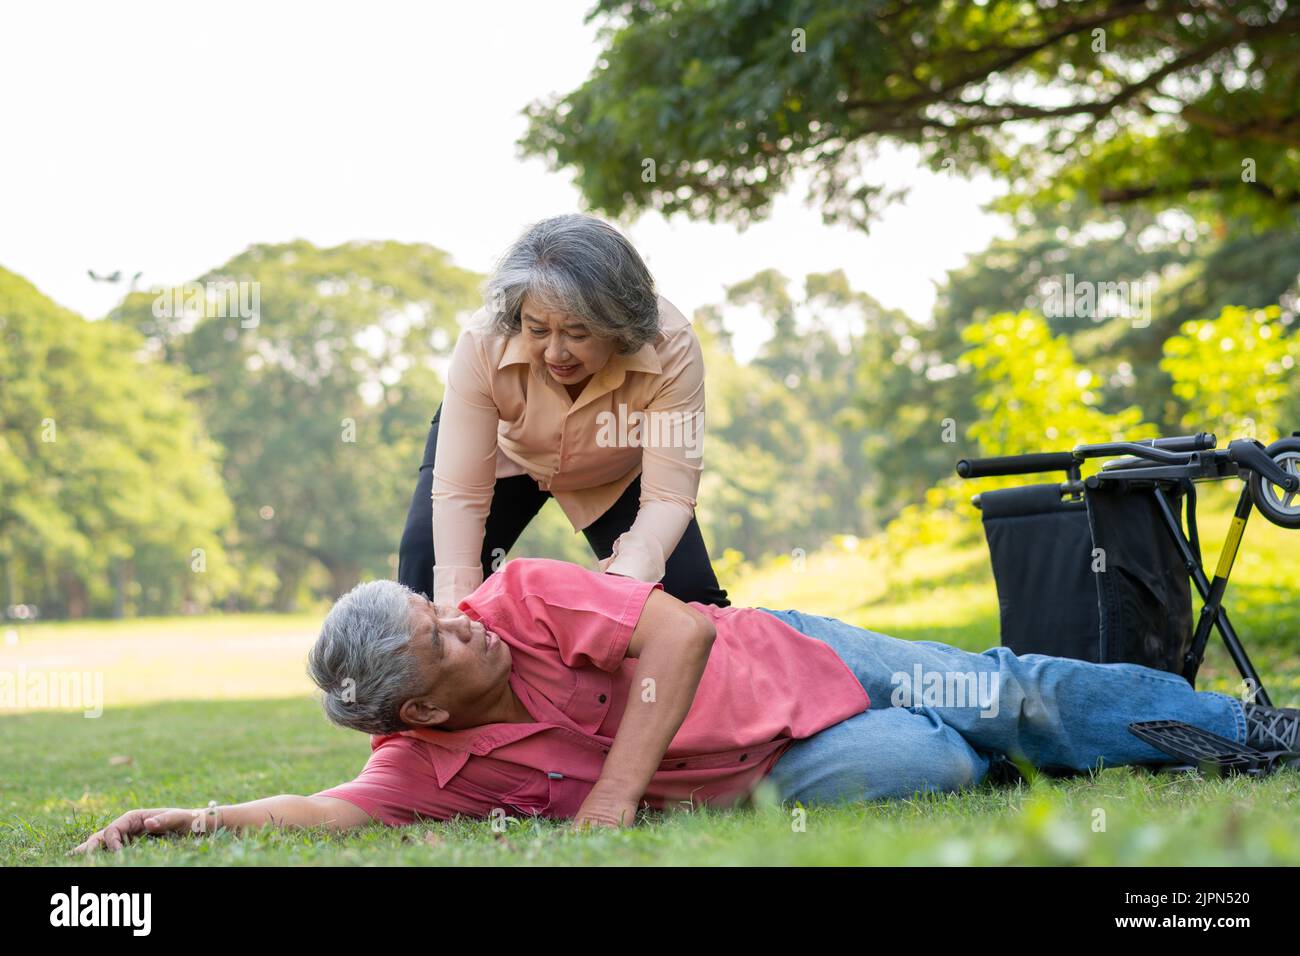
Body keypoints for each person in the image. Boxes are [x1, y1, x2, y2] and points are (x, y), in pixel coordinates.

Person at [74, 557, 1300, 852]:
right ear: (423, 712)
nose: (460, 616)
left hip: (781, 658)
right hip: (786, 762)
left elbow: (667, 623)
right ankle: (973, 752)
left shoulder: (525, 594)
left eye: (436, 606)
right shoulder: (435, 767)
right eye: (435, 636)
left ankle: (1245, 733)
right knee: (912, 768)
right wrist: (190, 817)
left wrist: (615, 789)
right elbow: (328, 807)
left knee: (1006, 696)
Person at [398, 212, 728, 610]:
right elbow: (460, 494)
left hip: (616, 470)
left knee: (689, 599)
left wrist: (622, 590)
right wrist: (453, 620)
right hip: (506, 452)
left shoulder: (672, 346)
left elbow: (669, 497)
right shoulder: (482, 340)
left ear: (619, 324)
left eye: (577, 333)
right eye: (537, 330)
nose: (556, 353)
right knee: (425, 576)